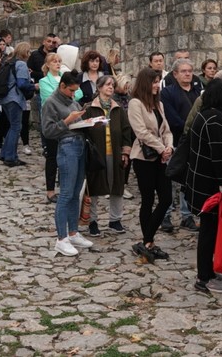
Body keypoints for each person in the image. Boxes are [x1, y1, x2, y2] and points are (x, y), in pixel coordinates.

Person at [184, 79, 222, 293]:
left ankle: (205, 272)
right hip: (209, 185)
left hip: (199, 181)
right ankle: (204, 277)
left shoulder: (202, 116)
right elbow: (216, 155)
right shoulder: (215, 119)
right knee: (208, 230)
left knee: (208, 229)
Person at [40, 70, 94, 256]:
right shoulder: (50, 103)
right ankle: (61, 238)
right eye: (71, 90)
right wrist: (66, 121)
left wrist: (89, 122)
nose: (74, 94)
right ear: (62, 86)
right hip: (67, 148)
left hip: (79, 146)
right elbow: (47, 131)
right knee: (66, 193)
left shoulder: (72, 101)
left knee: (75, 193)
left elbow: (76, 121)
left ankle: (73, 232)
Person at [128, 67, 173, 263]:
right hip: (143, 158)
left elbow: (167, 130)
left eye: (158, 82)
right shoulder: (135, 104)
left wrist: (168, 147)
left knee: (166, 198)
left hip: (160, 157)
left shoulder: (159, 105)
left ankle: (147, 239)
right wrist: (161, 147)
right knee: (147, 199)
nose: (157, 85)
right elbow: (141, 133)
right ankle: (149, 242)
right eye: (154, 82)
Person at [83, 74, 134, 236]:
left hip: (115, 153)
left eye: (112, 85)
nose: (111, 87)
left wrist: (126, 152)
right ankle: (93, 221)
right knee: (95, 187)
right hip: (96, 155)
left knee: (117, 185)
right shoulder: (89, 108)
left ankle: (115, 220)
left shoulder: (117, 108)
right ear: (99, 88)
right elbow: (83, 130)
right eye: (107, 85)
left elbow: (126, 131)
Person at [160, 57, 202, 232]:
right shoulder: (168, 93)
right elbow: (171, 117)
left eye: (190, 71)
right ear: (175, 74)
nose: (187, 74)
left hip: (194, 143)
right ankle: (166, 215)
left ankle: (187, 216)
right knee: (169, 180)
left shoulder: (197, 93)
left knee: (188, 181)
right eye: (183, 71)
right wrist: (190, 128)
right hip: (176, 141)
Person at [39, 52, 80, 200]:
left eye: (59, 61)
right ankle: (50, 190)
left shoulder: (70, 90)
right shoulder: (45, 82)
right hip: (53, 124)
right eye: (54, 61)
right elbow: (49, 96)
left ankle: (64, 188)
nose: (57, 63)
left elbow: (79, 94)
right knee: (52, 158)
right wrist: (67, 119)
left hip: (68, 136)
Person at [0, 42, 35, 168]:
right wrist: (34, 86)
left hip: (5, 98)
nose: (30, 54)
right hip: (15, 99)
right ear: (25, 52)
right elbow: (21, 84)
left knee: (12, 126)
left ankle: (4, 153)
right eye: (29, 51)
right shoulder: (21, 65)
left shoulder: (9, 62)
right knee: (16, 127)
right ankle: (10, 157)